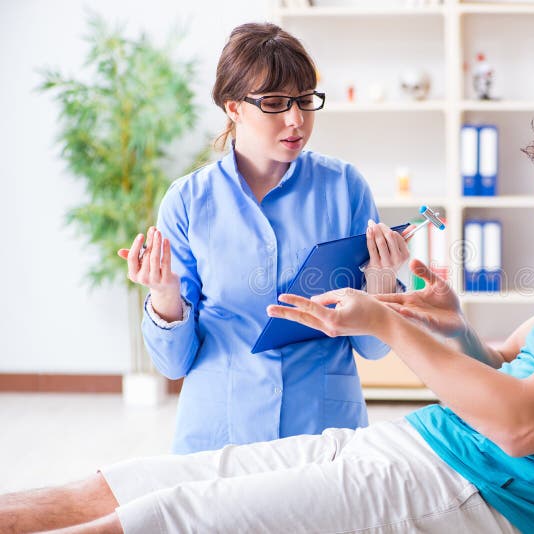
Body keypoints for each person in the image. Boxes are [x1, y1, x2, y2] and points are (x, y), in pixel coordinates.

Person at [1, 99, 534, 533]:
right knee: (143, 479)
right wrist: (449, 325)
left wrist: (387, 325)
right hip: (425, 450)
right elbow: (505, 370)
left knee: (180, 515)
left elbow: (524, 425)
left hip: (474, 492)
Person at [116, 22, 410, 454]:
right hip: (221, 436)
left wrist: (382, 279)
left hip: (323, 432)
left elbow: (373, 347)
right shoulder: (189, 201)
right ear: (233, 108)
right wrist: (165, 293)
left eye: (305, 101)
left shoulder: (344, 187)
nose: (296, 120)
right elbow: (173, 364)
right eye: (274, 103)